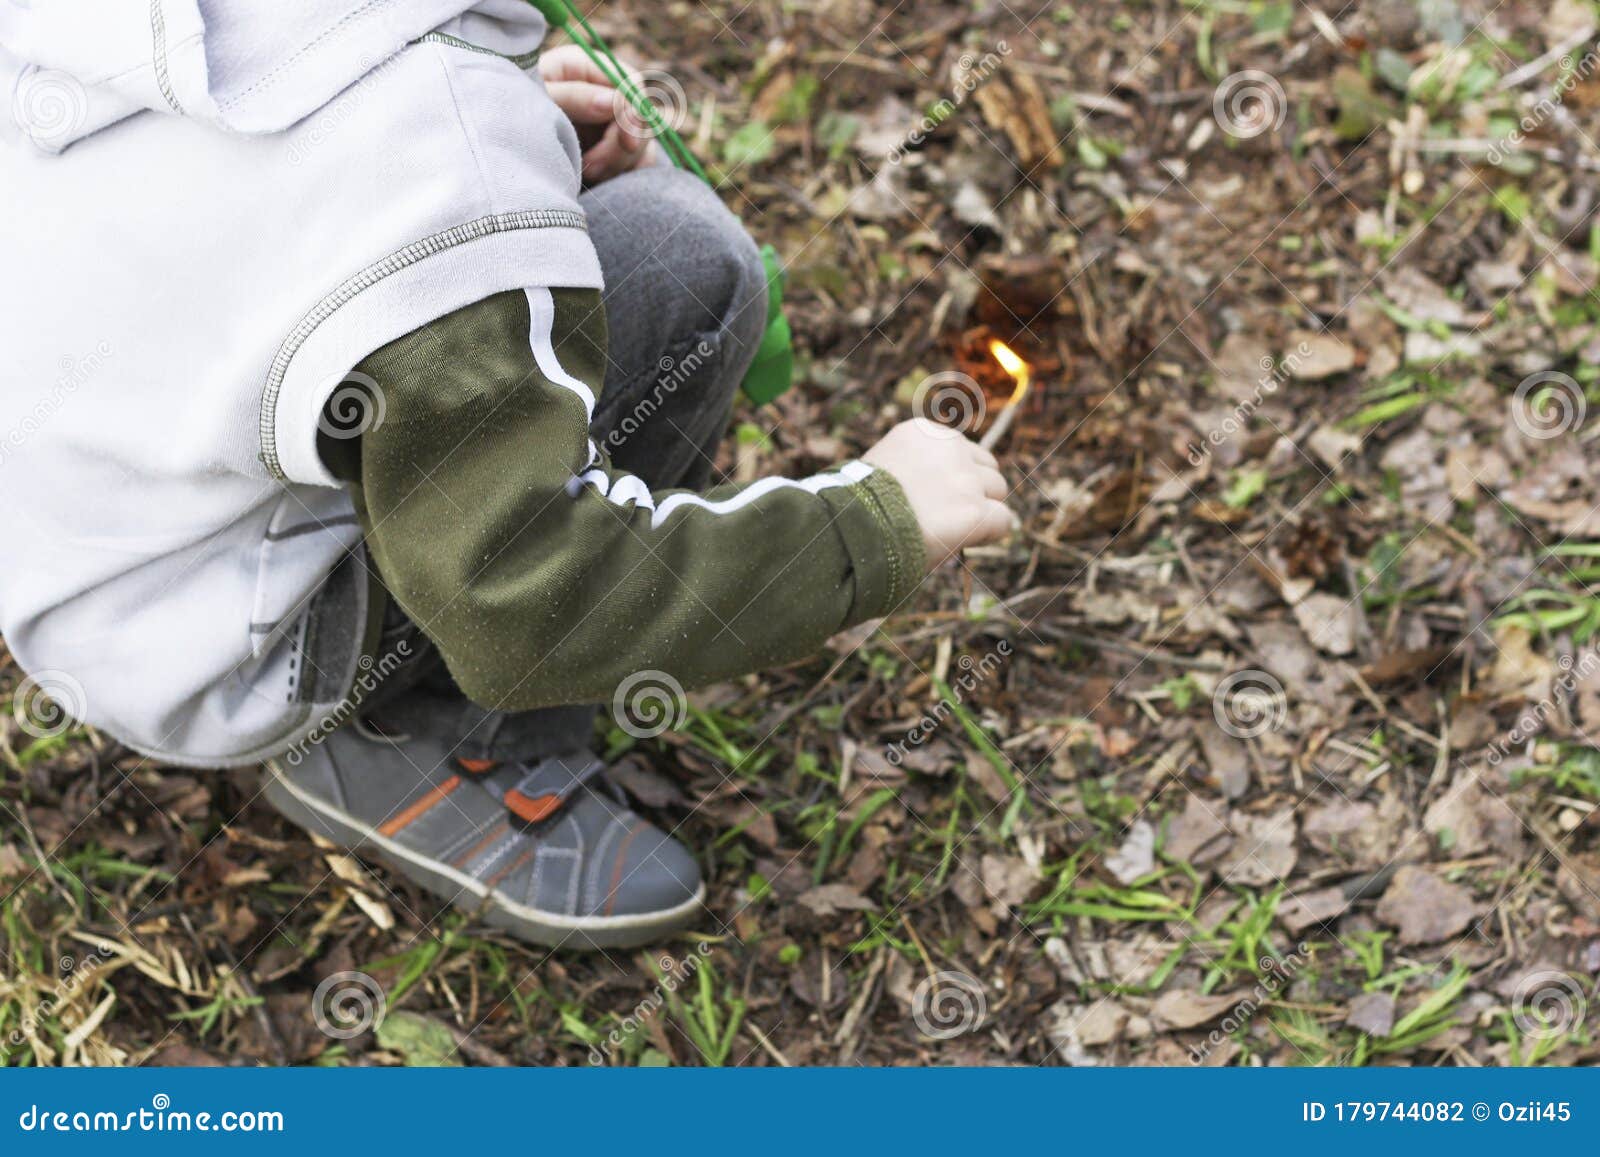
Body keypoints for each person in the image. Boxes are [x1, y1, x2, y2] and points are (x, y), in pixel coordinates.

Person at [0, 1, 1011, 948]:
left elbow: (263, 206)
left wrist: (519, 141)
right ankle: (424, 737)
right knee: (685, 263)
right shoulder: (441, 148)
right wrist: (870, 523)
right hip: (228, 653)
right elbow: (525, 592)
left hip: (85, 565)